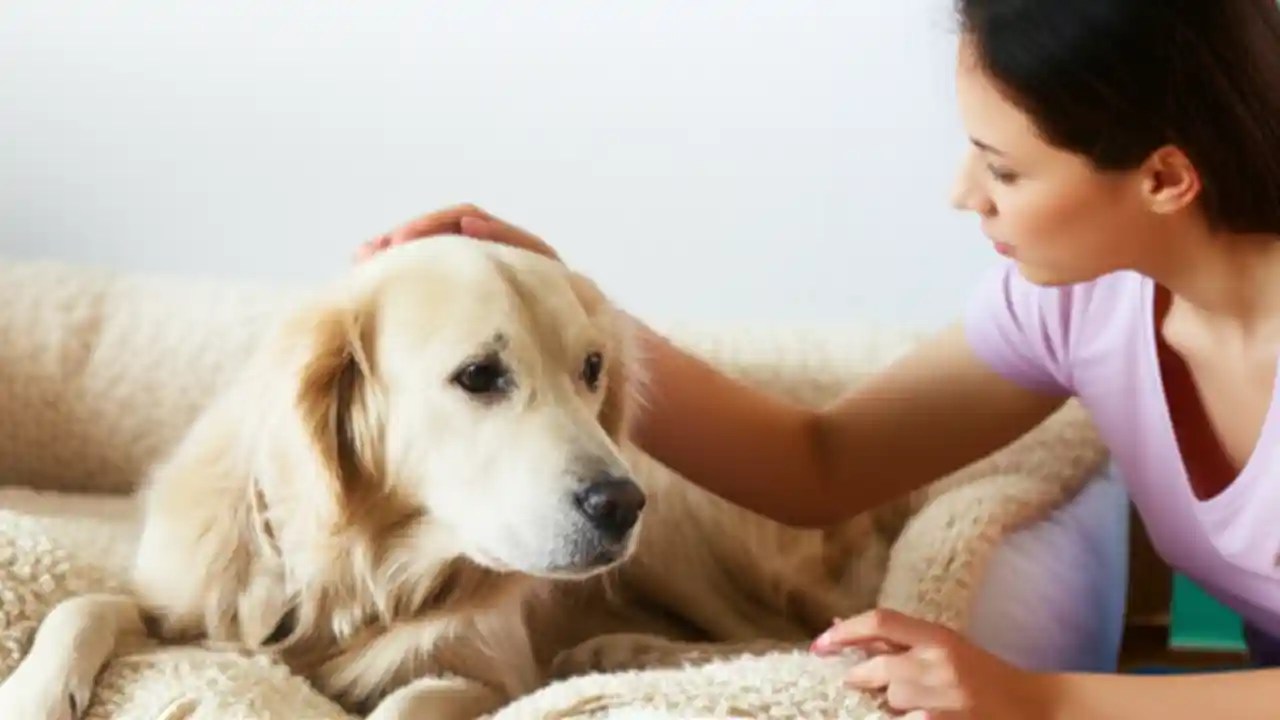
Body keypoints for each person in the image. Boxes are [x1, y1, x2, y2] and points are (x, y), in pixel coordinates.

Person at [357, 0, 1280, 716]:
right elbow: (821, 464)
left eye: (1004, 169)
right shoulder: (1083, 301)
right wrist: (570, 310)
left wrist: (1033, 698)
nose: (965, 194)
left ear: (1164, 178)